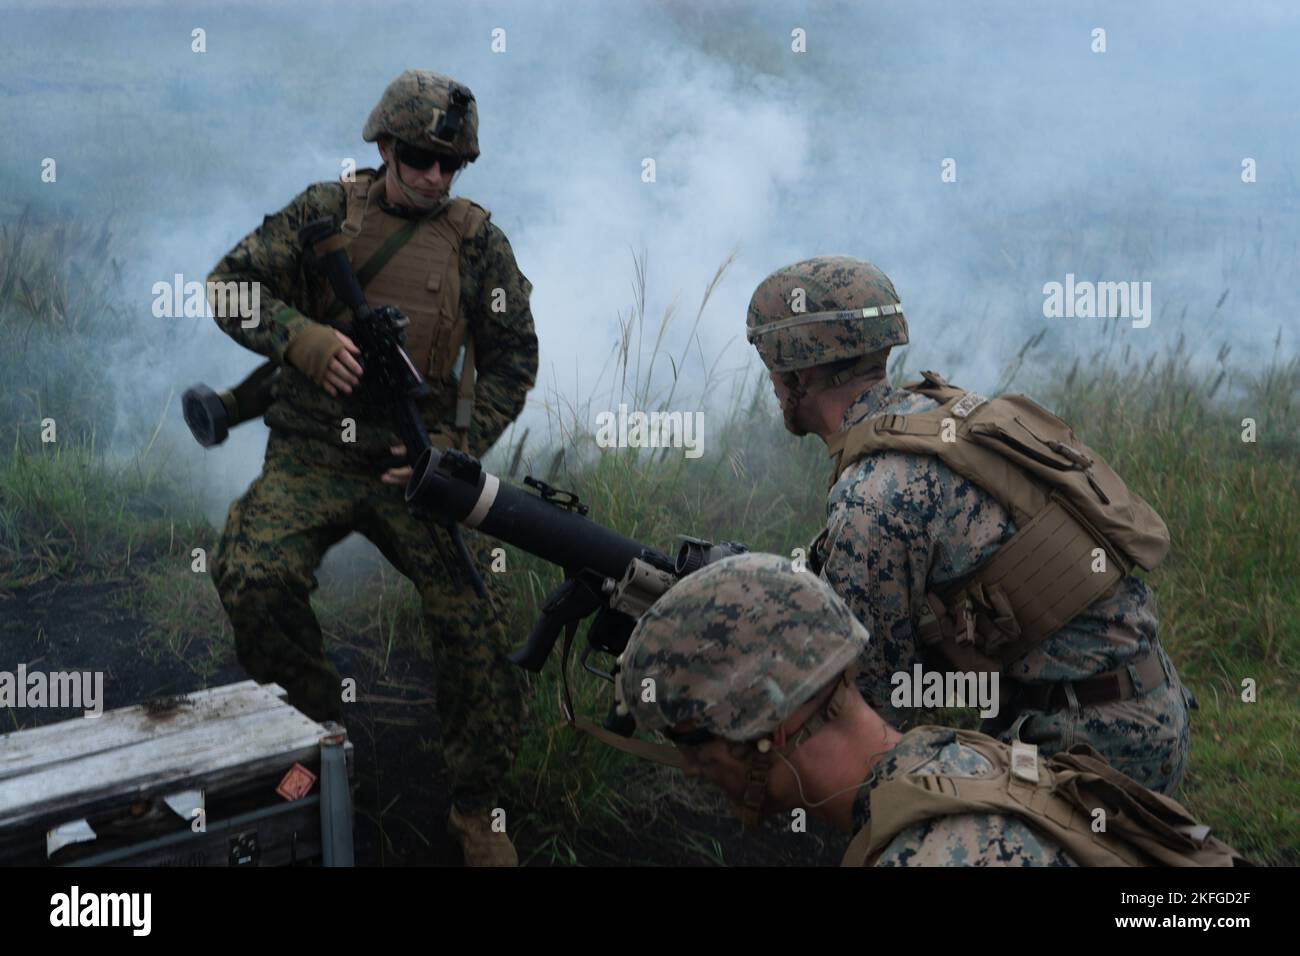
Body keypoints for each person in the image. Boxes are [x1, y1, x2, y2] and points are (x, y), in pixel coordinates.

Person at [207, 69, 537, 866]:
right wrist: (302, 338)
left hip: (413, 464)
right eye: (418, 157)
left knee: (475, 621)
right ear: (384, 146)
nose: (431, 177)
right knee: (252, 572)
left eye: (448, 165)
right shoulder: (324, 212)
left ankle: (474, 806)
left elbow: (512, 357)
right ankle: (317, 741)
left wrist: (462, 450)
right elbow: (228, 287)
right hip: (314, 450)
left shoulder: (477, 242)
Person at [744, 257, 1193, 794]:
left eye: (768, 358)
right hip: (1147, 703)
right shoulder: (943, 415)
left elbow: (868, 708)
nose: (769, 379)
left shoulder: (872, 498)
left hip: (1085, 745)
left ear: (796, 370)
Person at [616, 553, 1244, 866]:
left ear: (768, 728)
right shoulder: (961, 762)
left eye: (692, 741)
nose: (690, 767)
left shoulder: (939, 851)